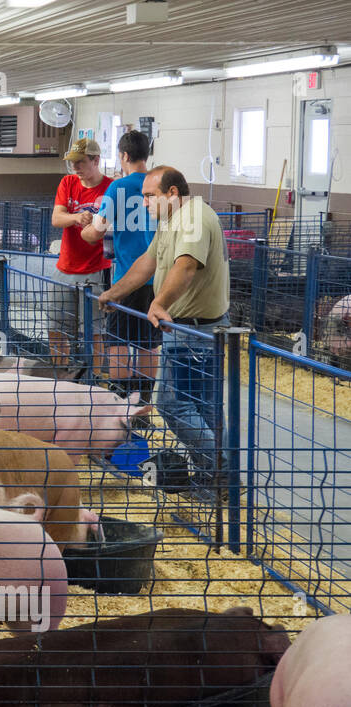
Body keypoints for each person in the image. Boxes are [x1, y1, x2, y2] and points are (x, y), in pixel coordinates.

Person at [99, 166, 230, 476]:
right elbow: (148, 261)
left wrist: (158, 303)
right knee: (202, 406)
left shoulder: (195, 219)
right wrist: (115, 292)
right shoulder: (170, 219)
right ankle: (212, 477)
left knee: (171, 403)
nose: (145, 203)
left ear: (172, 193)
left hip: (194, 328)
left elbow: (185, 267)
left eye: (149, 196)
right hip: (187, 325)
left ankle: (221, 470)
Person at [82, 130, 157, 399]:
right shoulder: (157, 184)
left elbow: (97, 231)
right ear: (146, 155)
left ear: (124, 155)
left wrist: (85, 230)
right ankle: (144, 402)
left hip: (126, 276)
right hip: (156, 277)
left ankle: (119, 401)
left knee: (118, 342)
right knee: (150, 343)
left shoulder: (118, 187)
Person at [50, 137, 112, 367]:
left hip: (95, 270)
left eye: (80, 162)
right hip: (64, 268)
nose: (75, 167)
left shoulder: (110, 188)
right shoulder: (68, 183)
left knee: (94, 331)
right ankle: (61, 375)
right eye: (72, 163)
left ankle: (93, 379)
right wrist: (76, 217)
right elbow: (57, 218)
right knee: (56, 328)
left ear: (96, 160)